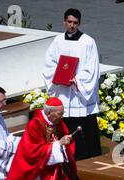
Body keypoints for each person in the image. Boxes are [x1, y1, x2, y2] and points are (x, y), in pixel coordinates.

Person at [43, 8, 102, 161]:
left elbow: (92, 67)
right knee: (66, 123)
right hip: (63, 90)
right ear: (64, 22)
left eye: (75, 23)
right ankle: (66, 155)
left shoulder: (88, 42)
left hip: (78, 93)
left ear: (79, 23)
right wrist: (58, 76)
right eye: (69, 22)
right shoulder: (58, 40)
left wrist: (76, 80)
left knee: (84, 124)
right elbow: (49, 63)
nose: (72, 26)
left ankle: (89, 155)